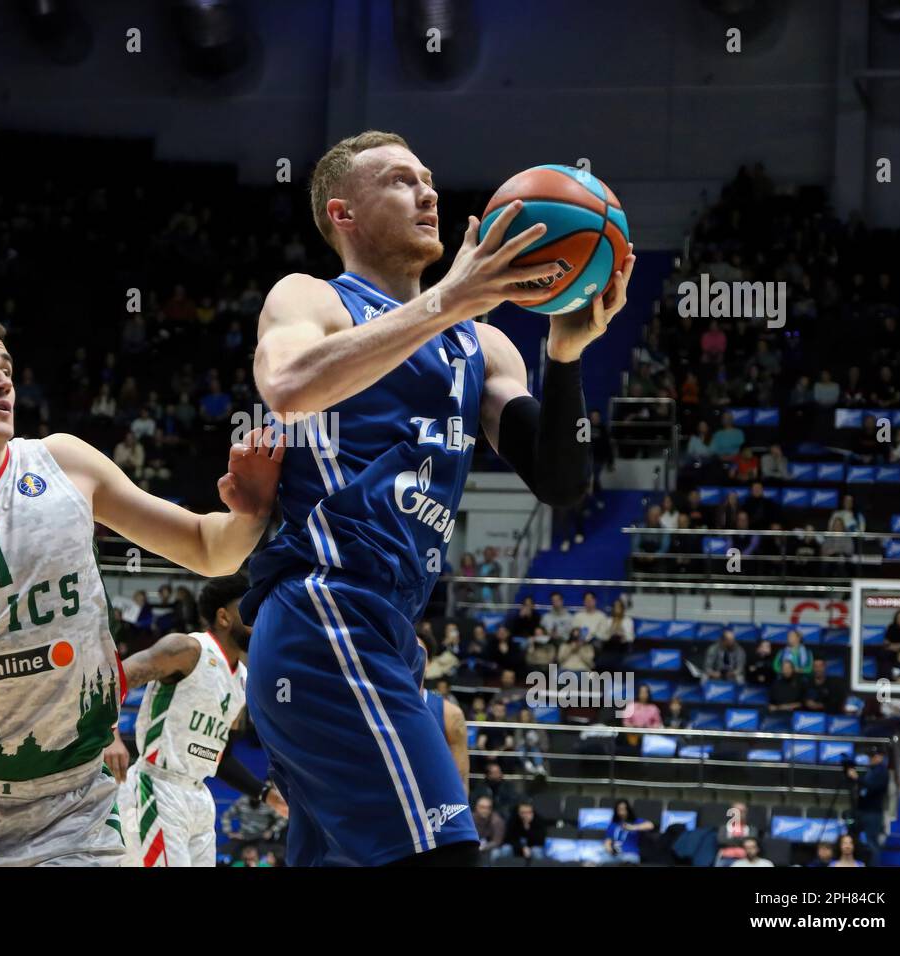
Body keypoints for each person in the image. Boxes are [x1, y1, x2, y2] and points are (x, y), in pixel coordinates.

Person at [241, 132, 632, 867]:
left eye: (428, 179)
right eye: (398, 181)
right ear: (343, 214)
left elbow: (562, 483)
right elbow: (289, 389)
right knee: (445, 852)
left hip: (387, 632)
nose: (427, 193)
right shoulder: (312, 296)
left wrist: (566, 355)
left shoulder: (482, 347)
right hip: (324, 613)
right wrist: (450, 298)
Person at [0, 312, 282, 866]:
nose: (3, 380)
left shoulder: (66, 463)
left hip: (73, 812)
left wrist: (249, 512)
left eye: (6, 368)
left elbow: (209, 549)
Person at [113, 575, 287, 868]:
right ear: (223, 616)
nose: (258, 620)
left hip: (198, 796)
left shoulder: (242, 679)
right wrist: (111, 735)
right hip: (157, 786)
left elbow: (220, 757)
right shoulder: (186, 649)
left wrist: (267, 795)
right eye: (250, 611)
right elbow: (114, 679)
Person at [417, 633, 470, 792]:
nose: (410, 658)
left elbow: (460, 781)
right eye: (404, 651)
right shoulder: (371, 707)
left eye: (418, 653)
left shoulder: (449, 714)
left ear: (429, 664)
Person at [847, 749, 889, 850]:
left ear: (880, 757)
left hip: (873, 812)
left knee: (872, 842)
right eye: (870, 756)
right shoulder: (871, 770)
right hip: (863, 809)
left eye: (874, 756)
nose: (871, 759)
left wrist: (857, 778)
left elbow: (872, 786)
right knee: (855, 840)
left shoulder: (882, 771)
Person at [602, 799, 653, 865]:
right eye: (619, 809)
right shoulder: (613, 824)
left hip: (630, 854)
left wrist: (633, 827)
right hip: (615, 854)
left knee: (628, 862)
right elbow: (607, 841)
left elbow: (650, 825)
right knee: (594, 862)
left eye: (624, 809)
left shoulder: (636, 821)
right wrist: (610, 850)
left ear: (628, 810)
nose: (621, 812)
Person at [471, 794, 506, 865]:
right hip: (474, 845)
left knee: (496, 853)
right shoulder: (470, 819)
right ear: (476, 807)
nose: (485, 810)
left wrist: (483, 847)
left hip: (491, 848)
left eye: (488, 808)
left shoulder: (496, 821)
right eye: (482, 807)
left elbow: (497, 842)